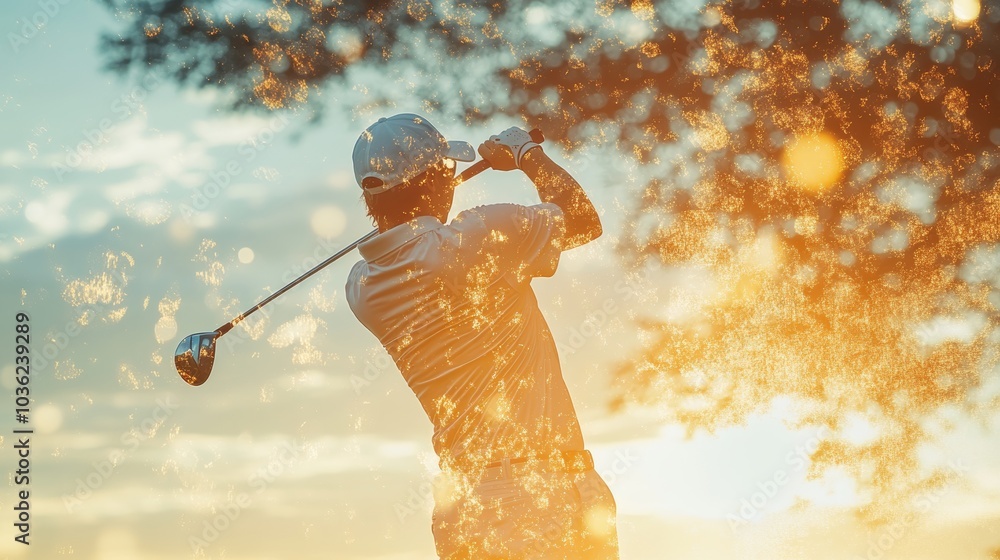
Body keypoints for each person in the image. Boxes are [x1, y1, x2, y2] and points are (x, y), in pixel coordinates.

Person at [346, 113, 618, 559]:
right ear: (436, 178)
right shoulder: (476, 237)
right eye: (447, 170)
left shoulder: (362, 288)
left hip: (463, 507)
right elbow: (583, 219)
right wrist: (526, 155)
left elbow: (403, 245)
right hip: (540, 494)